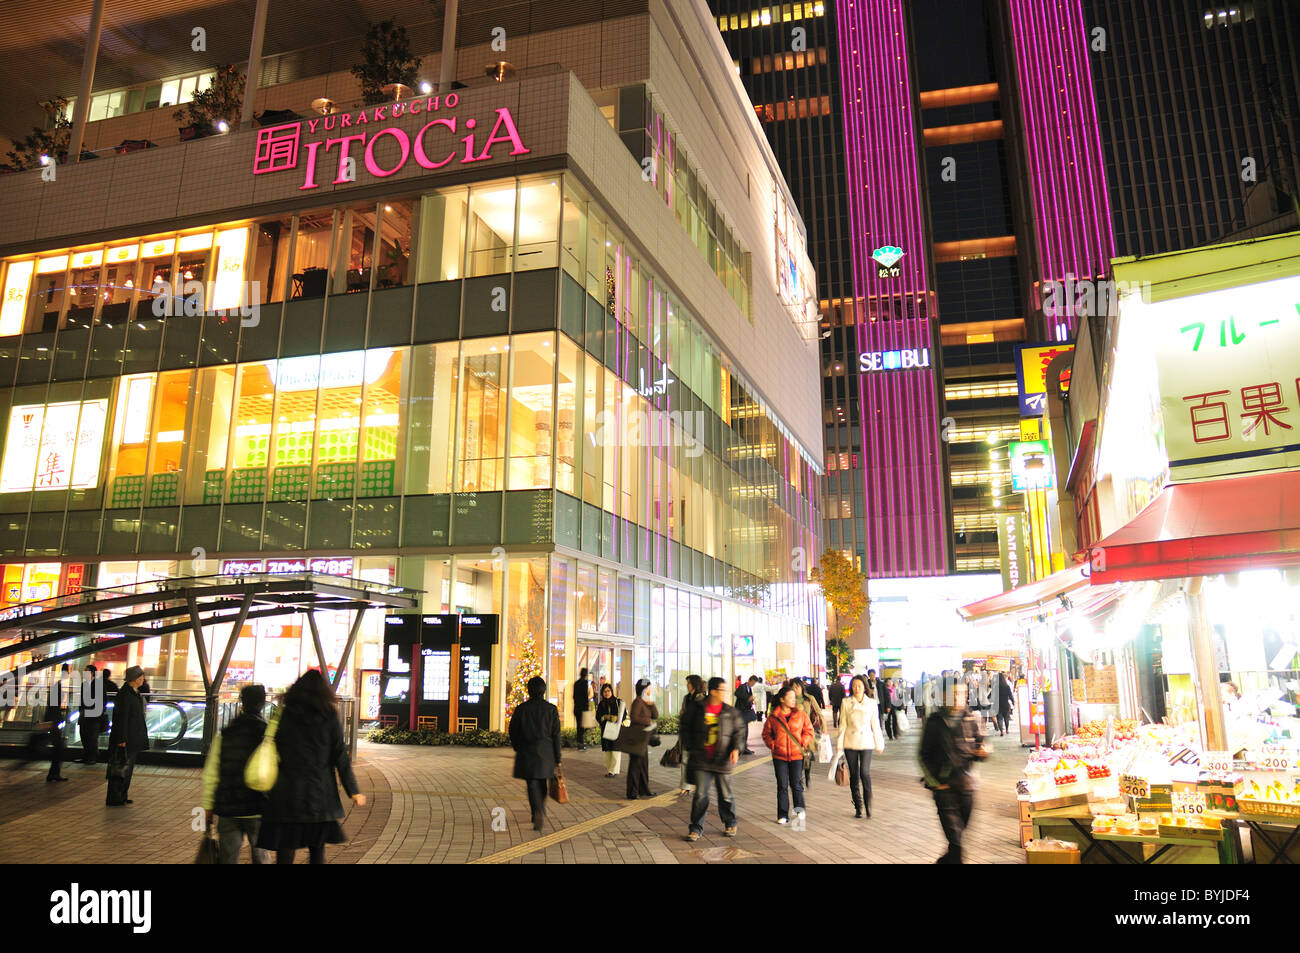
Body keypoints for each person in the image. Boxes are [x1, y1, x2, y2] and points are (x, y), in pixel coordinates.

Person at [255, 670, 365, 864]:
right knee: (317, 850)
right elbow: (340, 755)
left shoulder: (284, 713)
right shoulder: (329, 715)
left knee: (286, 848)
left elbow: (274, 746)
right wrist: (353, 791)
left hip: (286, 793)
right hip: (319, 794)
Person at [920, 676, 989, 863]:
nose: (960, 697)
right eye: (955, 694)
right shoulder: (934, 722)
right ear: (943, 696)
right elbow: (923, 755)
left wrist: (982, 753)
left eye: (963, 693)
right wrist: (936, 783)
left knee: (957, 839)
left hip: (967, 786)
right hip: (945, 788)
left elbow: (979, 746)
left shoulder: (970, 718)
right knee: (956, 841)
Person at [202, 684, 271, 864]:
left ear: (241, 703)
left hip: (228, 806)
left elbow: (211, 773)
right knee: (261, 857)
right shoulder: (267, 736)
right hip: (258, 806)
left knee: (228, 857)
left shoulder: (225, 735)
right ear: (262, 704)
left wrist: (208, 806)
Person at [682, 676, 743, 840]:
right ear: (713, 691)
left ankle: (731, 822)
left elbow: (738, 732)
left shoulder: (729, 711)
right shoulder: (697, 708)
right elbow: (685, 726)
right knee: (701, 795)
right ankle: (695, 828)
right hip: (702, 760)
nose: (724, 693)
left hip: (722, 760)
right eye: (722, 690)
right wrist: (690, 746)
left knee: (726, 794)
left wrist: (736, 748)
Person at [509, 675, 563, 831]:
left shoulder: (521, 709)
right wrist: (557, 757)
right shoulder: (551, 709)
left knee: (532, 784)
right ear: (544, 691)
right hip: (546, 753)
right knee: (542, 783)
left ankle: (537, 811)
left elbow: (513, 731)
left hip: (526, 751)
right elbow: (556, 734)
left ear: (528, 691)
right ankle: (540, 810)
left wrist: (517, 747)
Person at [762, 684, 814, 825]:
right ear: (782, 699)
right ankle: (783, 814)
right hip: (779, 756)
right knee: (782, 785)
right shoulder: (774, 717)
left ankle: (799, 810)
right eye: (790, 697)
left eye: (794, 697)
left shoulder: (800, 714)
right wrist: (774, 745)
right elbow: (766, 734)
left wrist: (802, 742)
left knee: (796, 784)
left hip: (797, 755)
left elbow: (809, 730)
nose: (793, 700)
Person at [837, 674, 885, 818]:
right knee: (854, 774)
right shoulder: (846, 702)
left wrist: (879, 743)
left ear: (864, 687)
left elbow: (875, 724)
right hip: (850, 741)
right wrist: (839, 744)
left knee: (865, 772)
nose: (856, 688)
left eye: (859, 685)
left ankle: (868, 804)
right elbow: (842, 724)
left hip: (866, 741)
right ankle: (858, 806)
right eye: (854, 686)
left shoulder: (871, 703)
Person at [107, 666, 149, 805]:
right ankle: (115, 797)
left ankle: (122, 795)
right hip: (126, 739)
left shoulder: (133, 693)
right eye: (141, 677)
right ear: (135, 679)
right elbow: (121, 718)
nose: (143, 680)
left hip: (132, 737)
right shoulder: (125, 695)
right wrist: (121, 739)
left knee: (127, 768)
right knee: (120, 768)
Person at [619, 679, 659, 799]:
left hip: (643, 738)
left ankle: (644, 789)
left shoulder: (645, 702)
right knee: (635, 766)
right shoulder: (637, 702)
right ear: (644, 689)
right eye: (649, 688)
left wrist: (651, 705)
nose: (650, 690)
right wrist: (648, 721)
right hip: (637, 738)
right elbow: (634, 717)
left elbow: (655, 715)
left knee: (643, 764)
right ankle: (632, 792)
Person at [677, 675, 706, 796]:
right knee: (684, 760)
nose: (687, 685)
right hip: (687, 734)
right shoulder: (686, 698)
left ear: (694, 684)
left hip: (698, 736)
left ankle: (701, 785)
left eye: (688, 683)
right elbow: (682, 713)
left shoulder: (702, 698)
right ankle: (685, 786)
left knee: (699, 762)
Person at [792, 678, 823, 788]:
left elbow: (819, 712)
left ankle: (807, 775)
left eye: (797, 687)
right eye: (793, 687)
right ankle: (799, 779)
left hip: (807, 732)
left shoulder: (809, 699)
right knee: (797, 757)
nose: (795, 689)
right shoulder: (789, 699)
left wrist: (824, 727)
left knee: (807, 756)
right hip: (794, 733)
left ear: (802, 687)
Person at [44, 664, 72, 782]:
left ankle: (54, 773)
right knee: (59, 748)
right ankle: (54, 773)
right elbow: (54, 705)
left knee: (59, 748)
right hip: (55, 720)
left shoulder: (59, 685)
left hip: (55, 719)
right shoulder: (60, 685)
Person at [78, 665, 104, 765]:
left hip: (94, 716)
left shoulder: (98, 684)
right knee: (84, 736)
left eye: (86, 671)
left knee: (92, 737)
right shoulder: (84, 684)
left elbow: (102, 700)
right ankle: (86, 756)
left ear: (92, 673)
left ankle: (92, 757)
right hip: (84, 715)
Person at [596, 683, 623, 777]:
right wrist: (605, 717)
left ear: (611, 691)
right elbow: (598, 717)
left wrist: (616, 718)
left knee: (615, 750)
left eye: (608, 691)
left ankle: (614, 770)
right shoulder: (601, 704)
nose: (607, 693)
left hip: (615, 729)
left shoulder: (618, 702)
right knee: (608, 751)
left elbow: (623, 715)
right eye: (604, 691)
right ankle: (610, 770)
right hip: (606, 730)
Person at [734, 675, 759, 754]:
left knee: (745, 730)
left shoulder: (749, 688)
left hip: (745, 711)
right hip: (741, 711)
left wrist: (751, 700)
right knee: (742, 730)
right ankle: (742, 748)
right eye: (753, 682)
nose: (753, 684)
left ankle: (744, 747)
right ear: (750, 680)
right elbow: (736, 693)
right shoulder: (742, 686)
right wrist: (748, 698)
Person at [572, 667, 592, 750]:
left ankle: (579, 742)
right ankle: (581, 743)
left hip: (576, 708)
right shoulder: (584, 683)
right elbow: (585, 696)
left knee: (579, 726)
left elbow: (574, 696)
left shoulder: (576, 683)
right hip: (582, 708)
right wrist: (587, 707)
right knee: (582, 726)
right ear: (586, 674)